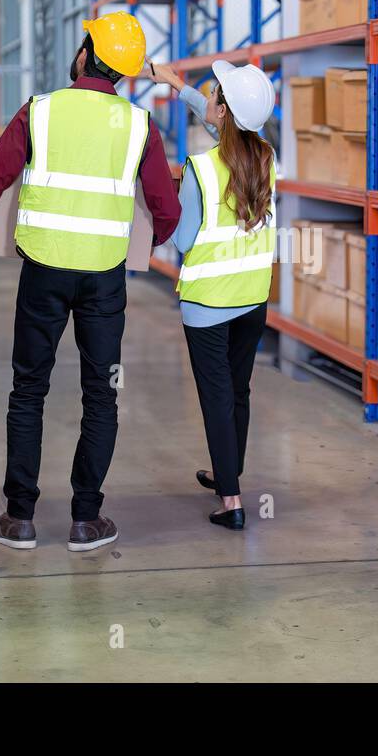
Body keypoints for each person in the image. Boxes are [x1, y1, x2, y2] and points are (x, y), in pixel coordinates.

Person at [0, 13, 181, 552]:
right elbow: (166, 208)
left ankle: (19, 518)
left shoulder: (40, 111)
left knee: (28, 389)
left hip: (43, 270)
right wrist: (139, 243)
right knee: (101, 394)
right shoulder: (139, 126)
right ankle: (87, 520)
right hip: (105, 279)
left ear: (85, 55)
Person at [146, 58, 277, 531]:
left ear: (222, 110)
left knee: (215, 398)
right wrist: (176, 84)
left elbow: (179, 241)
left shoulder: (200, 169)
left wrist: (167, 197)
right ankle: (229, 472)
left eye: (215, 94)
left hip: (207, 304)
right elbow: (227, 125)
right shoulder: (265, 158)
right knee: (237, 391)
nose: (211, 98)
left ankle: (231, 501)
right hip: (253, 298)